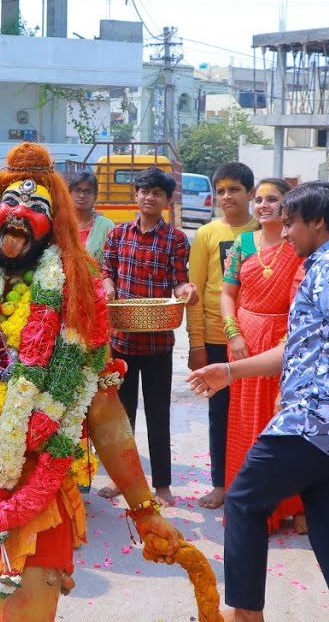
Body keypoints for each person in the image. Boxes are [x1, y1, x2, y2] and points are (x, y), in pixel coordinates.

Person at [0, 19, 190, 621]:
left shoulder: (75, 300)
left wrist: (144, 508)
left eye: (36, 209)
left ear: (56, 229)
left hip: (38, 483)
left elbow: (104, 412)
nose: (19, 215)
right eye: (9, 204)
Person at [188, 181, 329, 622]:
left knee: (244, 499)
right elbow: (300, 347)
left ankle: (246, 614)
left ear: (317, 222)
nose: (284, 234)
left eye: (290, 224)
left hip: (317, 420)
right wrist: (227, 371)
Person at [99, 166, 198, 507]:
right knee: (121, 416)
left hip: (158, 342)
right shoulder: (118, 234)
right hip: (122, 340)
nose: (149, 197)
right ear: (136, 196)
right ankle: (120, 479)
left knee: (157, 413)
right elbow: (107, 272)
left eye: (157, 193)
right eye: (144, 191)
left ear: (167, 200)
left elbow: (179, 280)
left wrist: (187, 291)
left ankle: (163, 485)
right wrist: (108, 286)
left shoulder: (176, 239)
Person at [218, 177, 305, 533]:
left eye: (273, 199)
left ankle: (288, 503)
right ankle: (249, 504)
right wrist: (234, 333)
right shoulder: (242, 244)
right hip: (245, 339)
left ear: (287, 205)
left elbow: (301, 298)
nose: (264, 205)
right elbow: (226, 296)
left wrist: (287, 340)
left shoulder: (296, 245)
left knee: (281, 422)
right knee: (244, 422)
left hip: (285, 341)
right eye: (260, 199)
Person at [187, 162, 258, 510]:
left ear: (250, 193)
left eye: (235, 190)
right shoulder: (207, 234)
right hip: (217, 338)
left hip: (258, 339)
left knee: (255, 414)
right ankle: (220, 484)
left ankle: (252, 484)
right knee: (221, 415)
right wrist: (197, 343)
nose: (227, 197)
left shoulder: (264, 229)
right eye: (221, 191)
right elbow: (195, 290)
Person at [68, 169, 115, 262]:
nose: (82, 195)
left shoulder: (107, 226)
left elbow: (113, 262)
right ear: (69, 194)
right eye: (77, 190)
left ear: (95, 197)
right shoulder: (60, 224)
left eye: (88, 192)